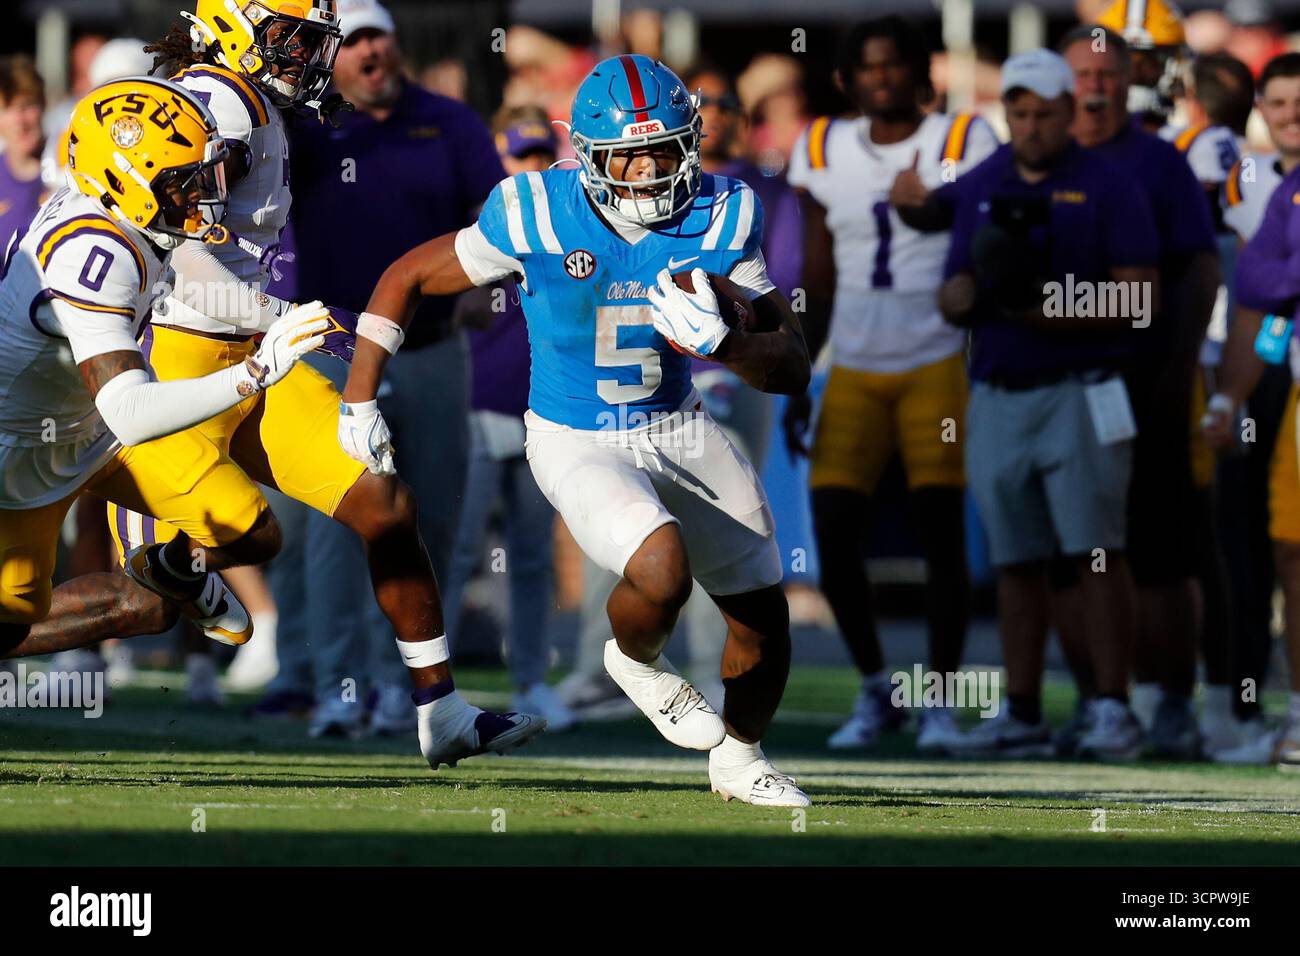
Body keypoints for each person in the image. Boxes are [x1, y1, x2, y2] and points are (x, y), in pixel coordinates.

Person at [337, 54, 813, 806]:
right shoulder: (535, 211)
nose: (652, 172)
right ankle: (634, 660)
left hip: (678, 422)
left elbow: (791, 363)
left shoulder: (722, 212)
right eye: (631, 156)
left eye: (665, 150)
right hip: (575, 435)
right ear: (591, 157)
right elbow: (409, 276)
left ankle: (741, 759)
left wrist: (731, 346)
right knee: (661, 568)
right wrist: (359, 397)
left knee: (762, 614)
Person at [108, 0, 543, 767]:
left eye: (316, 42)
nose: (310, 57)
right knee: (149, 593)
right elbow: (177, 247)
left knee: (385, 503)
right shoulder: (219, 110)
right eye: (293, 39)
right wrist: (285, 312)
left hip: (256, 355)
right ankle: (162, 547)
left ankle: (439, 709)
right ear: (239, 30)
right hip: (180, 358)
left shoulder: (264, 106)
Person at [0, 78, 322, 659]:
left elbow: (186, 277)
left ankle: (171, 569)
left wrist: (277, 316)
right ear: (129, 182)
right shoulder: (90, 251)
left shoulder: (132, 219)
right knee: (13, 615)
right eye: (186, 182)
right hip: (25, 444)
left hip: (91, 429)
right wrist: (252, 373)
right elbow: (129, 408)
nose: (203, 194)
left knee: (241, 538)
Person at [259, 0, 508, 738]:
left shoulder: (451, 122)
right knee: (342, 522)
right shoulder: (305, 125)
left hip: (430, 347)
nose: (370, 54)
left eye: (379, 39)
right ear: (331, 54)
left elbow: (495, 219)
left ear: (397, 46)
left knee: (432, 518)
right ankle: (340, 687)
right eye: (355, 41)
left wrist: (486, 289)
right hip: (334, 351)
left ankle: (415, 690)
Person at [558, 63, 803, 718]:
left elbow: (781, 302)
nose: (717, 111)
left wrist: (731, 342)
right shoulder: (606, 194)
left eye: (726, 100)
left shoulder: (753, 196)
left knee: (722, 537)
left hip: (720, 378)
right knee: (626, 537)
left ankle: (707, 673)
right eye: (705, 99)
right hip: (622, 388)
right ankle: (603, 667)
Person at [784, 16, 998, 753]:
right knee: (834, 530)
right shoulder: (819, 146)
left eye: (894, 65)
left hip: (940, 357)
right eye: (867, 68)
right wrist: (798, 373)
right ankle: (879, 687)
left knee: (943, 535)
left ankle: (938, 698)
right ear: (846, 79)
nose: (882, 78)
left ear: (920, 71)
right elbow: (819, 271)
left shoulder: (965, 139)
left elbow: (994, 227)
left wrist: (933, 210)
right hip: (854, 362)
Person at [938, 48, 1159, 760]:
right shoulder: (983, 184)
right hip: (999, 388)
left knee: (1097, 554)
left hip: (1082, 386)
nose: (1031, 126)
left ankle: (1112, 707)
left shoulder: (1109, 182)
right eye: (1020, 113)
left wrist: (1047, 308)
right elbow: (952, 288)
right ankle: (1025, 707)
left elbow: (1140, 297)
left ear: (1071, 111)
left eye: (1044, 113)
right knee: (1015, 561)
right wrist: (964, 298)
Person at [1053, 25, 1219, 757]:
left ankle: (1173, 700)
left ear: (1131, 81)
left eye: (1107, 73)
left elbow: (1200, 271)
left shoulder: (1158, 162)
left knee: (1157, 552)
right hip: (1050, 387)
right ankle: (1097, 701)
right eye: (1081, 73)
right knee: (1068, 557)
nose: (1095, 85)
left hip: (1142, 381)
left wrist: (1176, 368)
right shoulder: (1029, 160)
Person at [441, 104, 572, 731]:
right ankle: (430, 685)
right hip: (475, 407)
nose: (530, 167)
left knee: (532, 556)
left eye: (539, 155)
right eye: (518, 155)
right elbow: (456, 311)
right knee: (455, 547)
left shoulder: (566, 223)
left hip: (543, 411)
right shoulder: (481, 226)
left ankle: (530, 678)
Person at [1202, 51, 1300, 761]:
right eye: (1280, 101)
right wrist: (1228, 398)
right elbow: (1261, 301)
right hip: (1286, 382)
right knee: (1287, 550)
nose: (1291, 114)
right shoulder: (1269, 189)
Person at [0, 56, 47, 246]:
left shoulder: (69, 172)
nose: (19, 121)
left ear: (43, 106)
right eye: (8, 108)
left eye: (27, 106)